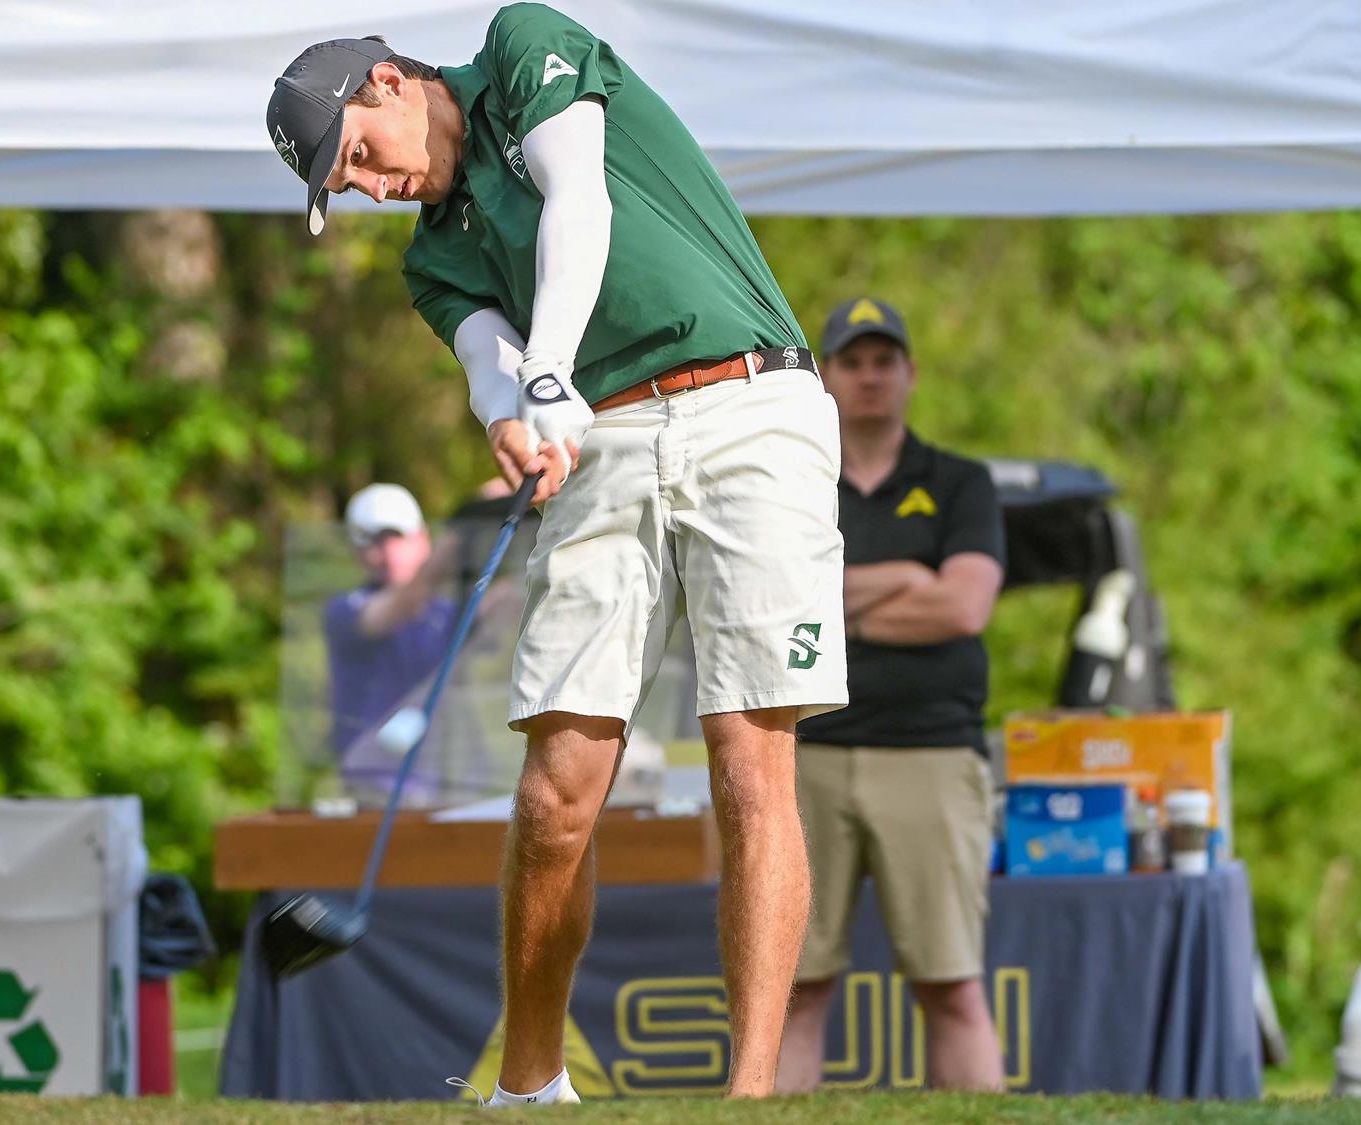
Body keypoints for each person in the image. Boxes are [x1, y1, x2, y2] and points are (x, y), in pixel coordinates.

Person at [269, 4, 847, 1101]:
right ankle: (527, 1089)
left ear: (386, 85)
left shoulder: (521, 45)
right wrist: (514, 413)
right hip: (602, 435)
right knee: (554, 789)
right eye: (342, 188)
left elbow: (576, 198)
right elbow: (493, 371)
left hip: (748, 401)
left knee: (745, 756)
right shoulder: (434, 260)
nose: (365, 190)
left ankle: (750, 1096)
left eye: (355, 159)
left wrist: (545, 375)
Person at [776, 297, 1007, 1093]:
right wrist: (909, 578)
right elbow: (772, 602)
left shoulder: (960, 483)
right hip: (806, 756)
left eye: (884, 361)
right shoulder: (790, 479)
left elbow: (964, 607)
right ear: (827, 376)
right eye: (852, 361)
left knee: (951, 984)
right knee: (794, 986)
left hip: (934, 757)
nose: (869, 376)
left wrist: (833, 599)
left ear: (909, 373)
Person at [322, 483, 457, 804]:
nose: (387, 553)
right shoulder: (345, 610)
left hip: (449, 780)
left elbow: (506, 607)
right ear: (356, 552)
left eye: (398, 537)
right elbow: (404, 603)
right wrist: (464, 535)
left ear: (423, 539)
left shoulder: (448, 611)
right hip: (376, 787)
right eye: (373, 542)